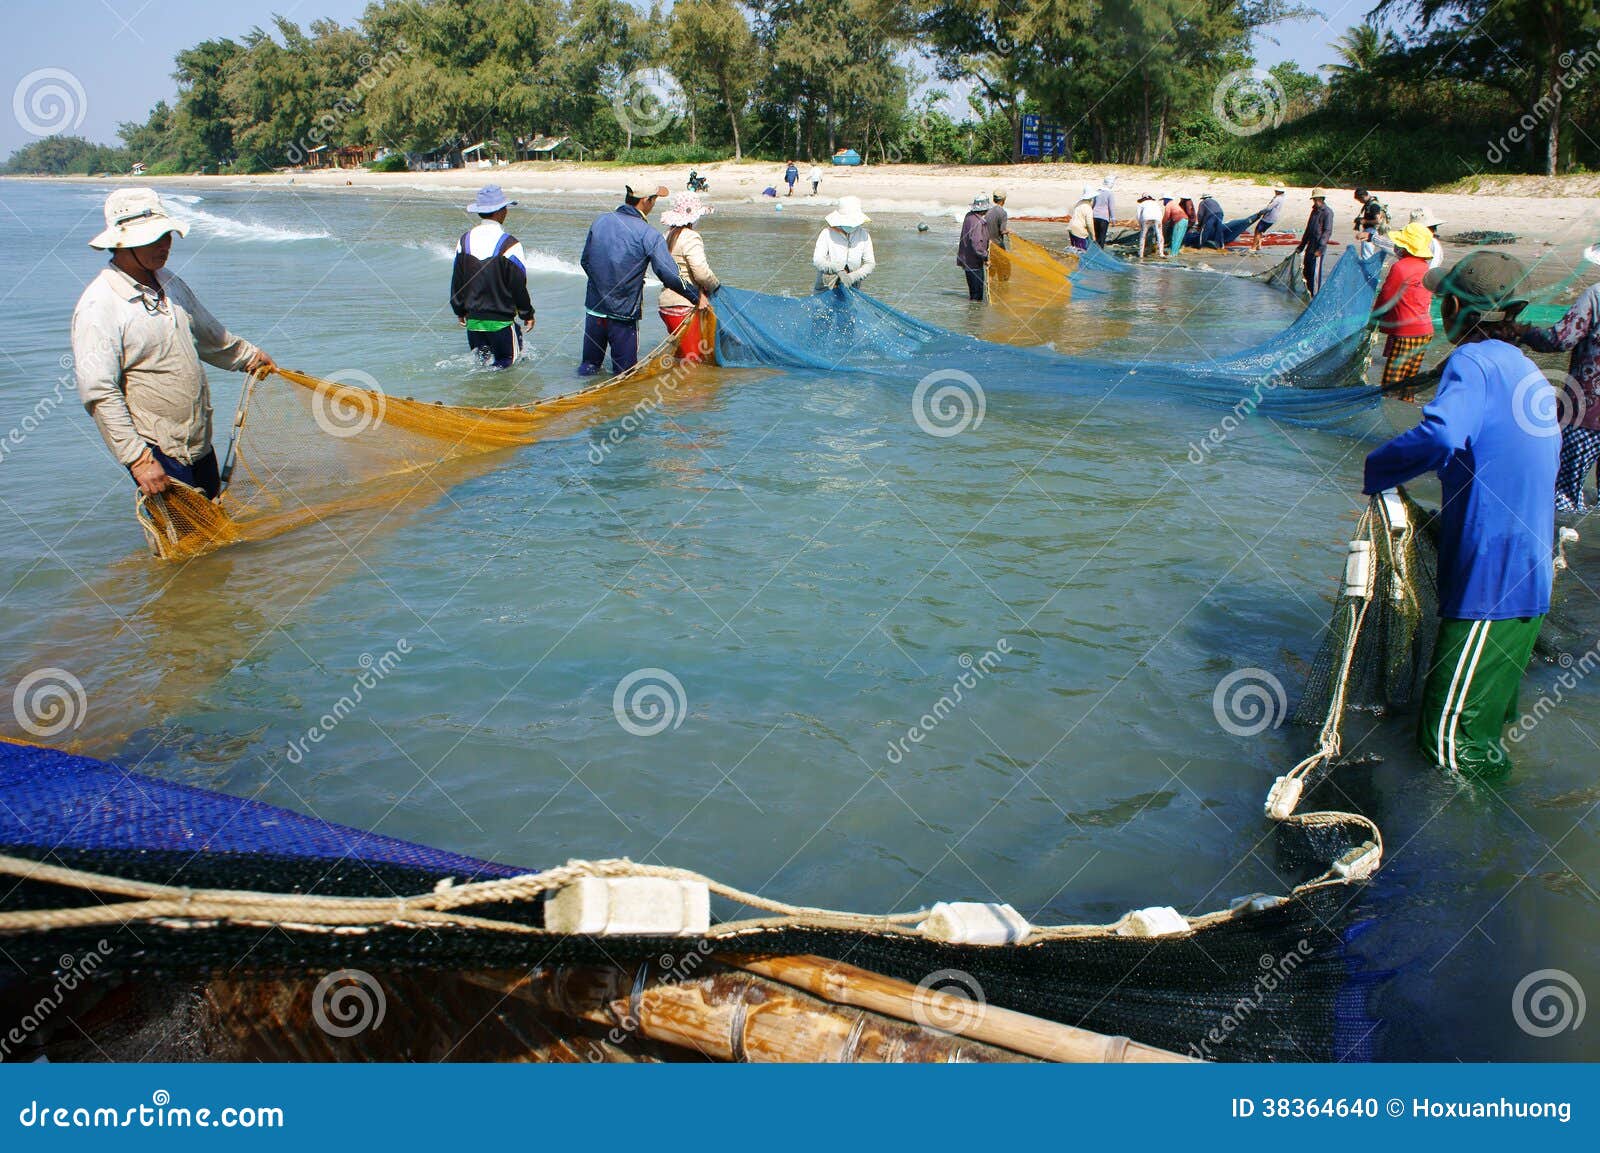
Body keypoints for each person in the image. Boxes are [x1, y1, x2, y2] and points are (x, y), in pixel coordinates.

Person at [1363, 251, 1555, 776]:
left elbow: (1442, 435)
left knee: (1448, 750)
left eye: (1445, 299)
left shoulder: (1473, 362)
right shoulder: (1526, 370)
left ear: (1457, 309)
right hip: (1527, 582)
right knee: (1484, 737)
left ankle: (1458, 857)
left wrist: (1377, 469)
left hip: (1492, 588)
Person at [71, 188, 276, 501]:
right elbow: (99, 392)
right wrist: (139, 460)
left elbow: (210, 337)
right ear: (122, 242)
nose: (165, 245)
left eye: (166, 235)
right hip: (158, 451)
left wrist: (250, 357)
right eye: (153, 239)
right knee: (181, 544)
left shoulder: (169, 283)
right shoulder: (100, 304)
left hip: (198, 443)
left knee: (212, 537)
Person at [579, 179, 702, 376]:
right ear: (646, 201)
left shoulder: (600, 221)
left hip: (594, 310)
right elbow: (669, 275)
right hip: (623, 314)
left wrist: (604, 286)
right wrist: (695, 296)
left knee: (589, 367)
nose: (654, 204)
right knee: (624, 375)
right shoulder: (648, 234)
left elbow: (585, 261)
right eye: (654, 199)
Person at [1515, 243, 1600, 514]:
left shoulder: (1596, 295)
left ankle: (1557, 551)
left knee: (1563, 496)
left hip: (1585, 413)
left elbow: (1560, 340)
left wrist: (1524, 332)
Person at [449, 185, 536, 369]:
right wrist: (527, 313)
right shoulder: (510, 244)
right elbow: (518, 285)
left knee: (481, 367)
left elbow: (457, 279)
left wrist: (459, 310)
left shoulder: (464, 240)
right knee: (507, 368)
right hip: (501, 322)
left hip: (474, 322)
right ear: (500, 212)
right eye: (505, 208)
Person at [1372, 222, 1436, 398]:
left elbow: (1386, 297)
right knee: (1407, 387)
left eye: (1400, 243)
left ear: (1406, 247)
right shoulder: (1425, 267)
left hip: (1406, 332)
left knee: (1390, 388)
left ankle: (1388, 421)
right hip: (1425, 332)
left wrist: (1373, 321)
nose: (1397, 246)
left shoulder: (1401, 267)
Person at [656, 192, 719, 364]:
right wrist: (715, 286)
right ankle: (689, 390)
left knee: (681, 357)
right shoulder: (690, 237)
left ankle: (676, 389)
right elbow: (701, 272)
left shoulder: (665, 236)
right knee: (693, 363)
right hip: (684, 306)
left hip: (666, 305)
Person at [812, 196, 876, 291]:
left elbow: (870, 263)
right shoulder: (827, 233)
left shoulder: (863, 235)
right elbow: (817, 260)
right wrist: (837, 270)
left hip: (852, 286)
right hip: (826, 287)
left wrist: (853, 276)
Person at [1295, 189, 1334, 297]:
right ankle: (1307, 295)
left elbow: (1327, 231)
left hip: (1318, 247)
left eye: (1317, 199)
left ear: (1322, 199)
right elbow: (1308, 230)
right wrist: (1301, 246)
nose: (1316, 202)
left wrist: (1320, 248)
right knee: (1306, 271)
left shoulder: (1327, 212)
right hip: (1310, 246)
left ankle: (1314, 296)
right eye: (1314, 199)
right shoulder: (1314, 211)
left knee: (1314, 274)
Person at [957, 193, 992, 301]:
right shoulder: (978, 222)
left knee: (973, 294)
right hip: (974, 263)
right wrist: (986, 257)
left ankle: (973, 316)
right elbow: (976, 244)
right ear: (984, 209)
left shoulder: (969, 216)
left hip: (967, 260)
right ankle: (975, 316)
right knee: (977, 297)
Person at [1250, 184, 1286, 254]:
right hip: (1273, 219)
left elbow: (1269, 208)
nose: (1275, 191)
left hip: (1268, 218)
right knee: (1261, 231)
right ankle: (1258, 246)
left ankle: (1253, 247)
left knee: (1258, 231)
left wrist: (1260, 212)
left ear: (1278, 191)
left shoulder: (1277, 199)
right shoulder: (1282, 197)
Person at [1135, 194, 1165, 259]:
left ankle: (1141, 254)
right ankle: (1161, 253)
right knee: (1159, 235)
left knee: (1143, 236)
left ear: (1143, 199)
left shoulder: (1141, 204)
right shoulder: (1155, 203)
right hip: (1157, 218)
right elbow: (1161, 212)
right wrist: (1160, 222)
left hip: (1146, 219)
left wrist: (1140, 224)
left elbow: (1138, 216)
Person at [1091, 175, 1116, 246]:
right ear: (1110, 184)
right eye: (1112, 183)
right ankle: (1099, 253)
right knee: (1101, 238)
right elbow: (1111, 207)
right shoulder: (1110, 193)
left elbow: (1093, 204)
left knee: (1095, 237)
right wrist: (1113, 219)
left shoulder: (1097, 191)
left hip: (1094, 216)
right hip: (1104, 218)